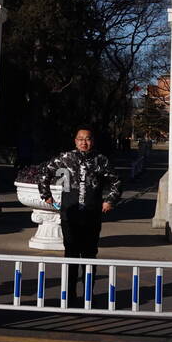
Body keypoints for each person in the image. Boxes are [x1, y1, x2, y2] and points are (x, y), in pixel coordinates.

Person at [39, 128, 121, 306]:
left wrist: (109, 201)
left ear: (93, 141)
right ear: (75, 141)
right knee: (71, 254)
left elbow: (116, 182)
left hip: (92, 215)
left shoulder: (101, 160)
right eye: (80, 139)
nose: (84, 142)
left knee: (90, 254)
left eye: (88, 139)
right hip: (70, 214)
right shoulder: (65, 158)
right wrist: (46, 195)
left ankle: (88, 295)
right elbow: (45, 172)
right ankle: (69, 295)